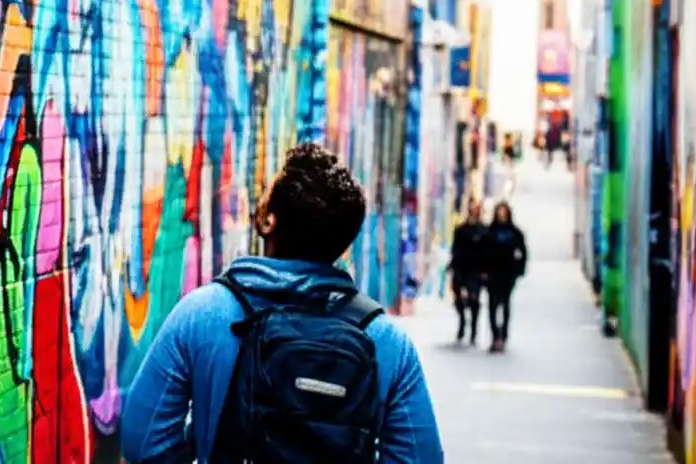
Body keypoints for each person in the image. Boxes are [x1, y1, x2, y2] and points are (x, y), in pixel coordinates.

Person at [120, 143, 444, 463]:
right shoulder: (386, 341)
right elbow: (420, 457)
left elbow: (143, 441)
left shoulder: (202, 315)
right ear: (344, 243)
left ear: (269, 221)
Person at [485, 202, 528, 353]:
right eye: (499, 213)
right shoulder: (490, 231)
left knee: (505, 303)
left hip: (508, 274)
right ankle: (495, 335)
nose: (501, 216)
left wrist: (519, 270)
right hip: (492, 273)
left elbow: (522, 252)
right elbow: (482, 253)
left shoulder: (515, 232)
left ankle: (503, 335)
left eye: (504, 213)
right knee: (492, 305)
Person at [449, 200, 488, 345]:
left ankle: (473, 329)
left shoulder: (484, 231)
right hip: (460, 269)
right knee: (459, 299)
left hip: (476, 271)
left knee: (474, 300)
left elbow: (488, 253)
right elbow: (455, 250)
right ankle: (462, 323)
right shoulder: (460, 230)